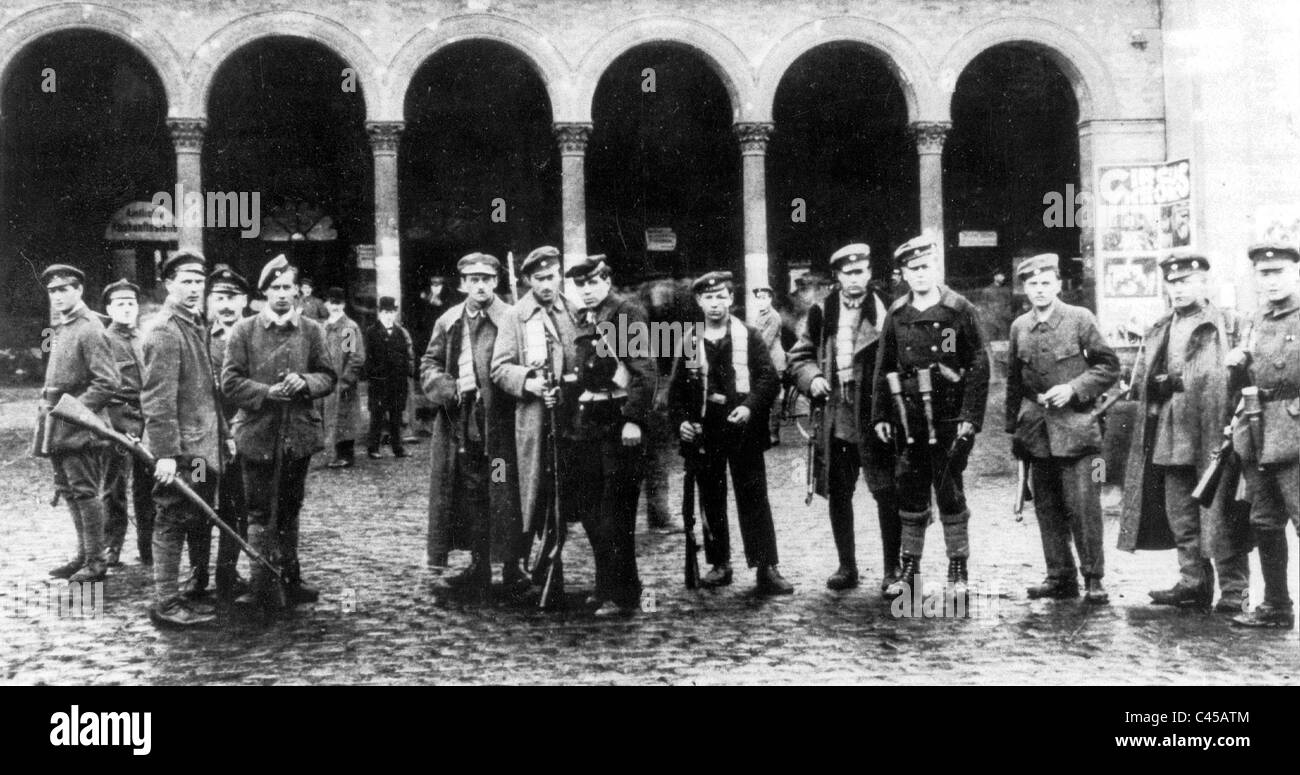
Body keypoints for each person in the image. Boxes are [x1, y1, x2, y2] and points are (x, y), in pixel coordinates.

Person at [1119, 254, 1251, 612]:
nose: (1178, 289)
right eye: (1173, 283)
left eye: (1186, 281)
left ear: (1205, 283)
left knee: (1221, 514)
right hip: (1171, 431)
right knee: (1181, 514)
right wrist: (1158, 383)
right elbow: (1142, 382)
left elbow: (1247, 377)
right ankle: (1193, 583)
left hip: (1215, 431)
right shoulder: (1161, 327)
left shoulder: (1230, 324)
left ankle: (1234, 590)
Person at [871, 236, 990, 600]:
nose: (919, 274)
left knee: (949, 488)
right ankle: (909, 569)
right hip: (909, 417)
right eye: (912, 269)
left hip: (948, 416)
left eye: (925, 267)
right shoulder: (897, 313)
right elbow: (884, 366)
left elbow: (978, 364)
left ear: (935, 268)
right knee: (910, 488)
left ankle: (958, 568)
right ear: (903, 273)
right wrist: (881, 415)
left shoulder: (958, 309)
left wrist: (970, 416)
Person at [221, 254, 337, 610]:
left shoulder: (313, 331)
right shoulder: (244, 330)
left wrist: (304, 382)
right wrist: (266, 392)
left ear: (297, 292)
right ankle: (261, 581)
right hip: (257, 435)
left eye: (288, 287)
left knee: (289, 508)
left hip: (297, 437)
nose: (283, 294)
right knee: (257, 511)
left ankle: (290, 577)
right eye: (275, 287)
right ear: (264, 291)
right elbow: (229, 382)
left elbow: (328, 376)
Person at [1006, 253, 1120, 605]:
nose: (1039, 290)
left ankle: (1093, 578)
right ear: (1024, 288)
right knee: (1047, 507)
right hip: (1037, 432)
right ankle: (1059, 576)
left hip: (1077, 428)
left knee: (1083, 506)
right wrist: (1015, 432)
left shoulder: (1079, 319)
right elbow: (1014, 382)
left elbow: (1109, 367)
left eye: (1045, 283)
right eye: (1032, 284)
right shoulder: (1019, 327)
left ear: (1058, 284)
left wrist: (1073, 389)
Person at [669, 271, 792, 594]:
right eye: (708, 297)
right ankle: (719, 563)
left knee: (753, 497)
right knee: (710, 498)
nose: (715, 303)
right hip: (705, 431)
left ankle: (766, 566)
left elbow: (769, 379)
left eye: (721, 296)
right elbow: (676, 392)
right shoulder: (690, 341)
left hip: (742, 430)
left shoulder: (748, 335)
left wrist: (750, 406)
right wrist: (682, 420)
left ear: (731, 299)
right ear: (698, 301)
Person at [788, 244, 899, 592]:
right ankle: (846, 566)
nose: (856, 278)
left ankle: (892, 569)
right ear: (837, 276)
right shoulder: (822, 312)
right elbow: (799, 356)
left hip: (876, 414)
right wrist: (812, 378)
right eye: (849, 273)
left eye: (862, 271)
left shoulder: (887, 308)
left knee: (886, 491)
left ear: (869, 272)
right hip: (837, 415)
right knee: (838, 492)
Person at [421, 252, 524, 596]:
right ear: (463, 283)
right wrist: (446, 388)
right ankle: (479, 564)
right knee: (472, 493)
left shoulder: (512, 317)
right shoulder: (449, 321)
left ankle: (513, 566)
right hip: (463, 427)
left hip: (501, 427)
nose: (480, 285)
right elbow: (429, 363)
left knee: (505, 490)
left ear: (496, 281)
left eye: (486, 278)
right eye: (473, 279)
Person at [563, 255, 655, 616]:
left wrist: (634, 420)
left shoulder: (625, 313)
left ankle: (626, 593)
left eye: (592, 283)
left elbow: (645, 371)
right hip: (589, 422)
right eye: (580, 285)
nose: (586, 291)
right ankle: (605, 586)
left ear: (607, 280)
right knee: (590, 510)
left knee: (617, 512)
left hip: (619, 421)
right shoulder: (586, 318)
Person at [140, 252, 224, 627]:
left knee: (197, 516)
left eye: (198, 280)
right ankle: (166, 602)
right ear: (168, 284)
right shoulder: (165, 330)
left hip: (203, 452)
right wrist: (166, 455)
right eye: (186, 280)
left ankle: (188, 592)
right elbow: (157, 401)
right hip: (181, 454)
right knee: (172, 518)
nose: (194, 288)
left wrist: (225, 433)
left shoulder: (193, 325)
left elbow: (206, 390)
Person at [1227, 242, 1300, 628]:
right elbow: (1248, 381)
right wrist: (1238, 364)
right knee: (1266, 520)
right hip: (1258, 431)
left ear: (1296, 273)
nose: (1271, 281)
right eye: (1264, 274)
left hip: (1297, 434)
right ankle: (1276, 606)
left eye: (1278, 272)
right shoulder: (1254, 320)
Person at [37, 264, 119, 583]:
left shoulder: (89, 327)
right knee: (69, 490)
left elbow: (107, 382)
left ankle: (97, 561)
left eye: (63, 289)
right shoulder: (63, 325)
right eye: (52, 291)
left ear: (79, 290)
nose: (57, 296)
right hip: (58, 421)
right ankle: (84, 554)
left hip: (79, 424)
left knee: (85, 491)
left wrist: (75, 411)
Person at [99, 278, 153, 568]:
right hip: (117, 421)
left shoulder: (145, 337)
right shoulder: (103, 340)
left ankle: (148, 547)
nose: (127, 308)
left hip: (147, 420)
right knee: (114, 487)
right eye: (120, 303)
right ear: (109, 308)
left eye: (131, 303)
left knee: (148, 487)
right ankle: (112, 546)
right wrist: (113, 424)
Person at [206, 265, 252, 601]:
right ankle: (196, 576)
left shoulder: (254, 335)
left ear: (245, 300)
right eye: (220, 297)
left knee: (238, 507)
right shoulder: (202, 339)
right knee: (201, 506)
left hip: (246, 435)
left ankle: (227, 572)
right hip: (207, 438)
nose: (226, 305)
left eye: (232, 297)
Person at [364, 297, 414, 459]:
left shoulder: (400, 332)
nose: (388, 315)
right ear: (380, 313)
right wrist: (374, 374)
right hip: (379, 382)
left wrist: (405, 371)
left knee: (396, 415)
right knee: (377, 416)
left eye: (391, 312)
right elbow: (367, 357)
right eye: (385, 312)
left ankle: (397, 448)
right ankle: (373, 448)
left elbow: (407, 355)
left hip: (397, 382)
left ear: (395, 313)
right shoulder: (371, 332)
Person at [322, 287, 366, 468]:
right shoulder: (323, 327)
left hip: (342, 383)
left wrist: (345, 380)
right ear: (326, 304)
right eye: (332, 303)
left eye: (338, 303)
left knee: (345, 419)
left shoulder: (348, 328)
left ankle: (346, 455)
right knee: (331, 418)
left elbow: (355, 357)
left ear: (344, 304)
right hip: (327, 381)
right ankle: (332, 454)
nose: (335, 306)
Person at [411, 274, 455, 437]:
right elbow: (418, 324)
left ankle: (440, 420)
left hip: (441, 347)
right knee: (424, 383)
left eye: (439, 285)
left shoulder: (448, 304)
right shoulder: (423, 303)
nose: (436, 288)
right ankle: (424, 421)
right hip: (425, 345)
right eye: (433, 285)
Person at [751, 283, 787, 445]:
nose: (761, 301)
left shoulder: (774, 317)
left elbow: (765, 341)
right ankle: (763, 431)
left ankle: (774, 433)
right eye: (758, 298)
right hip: (764, 361)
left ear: (770, 299)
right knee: (763, 394)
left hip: (774, 361)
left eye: (764, 298)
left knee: (775, 397)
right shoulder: (759, 315)